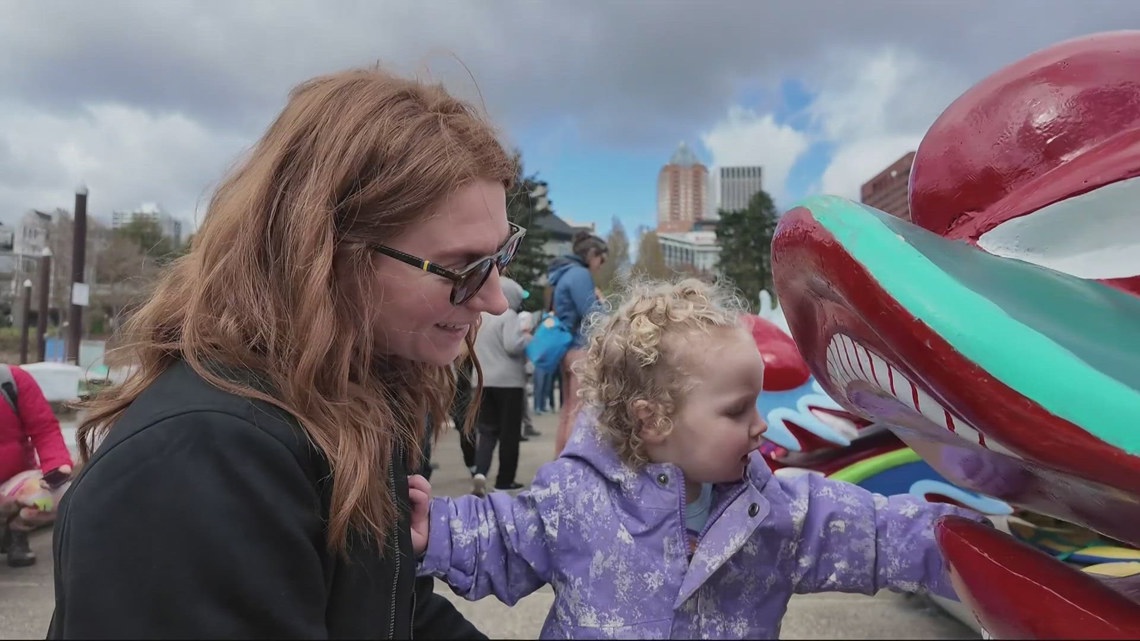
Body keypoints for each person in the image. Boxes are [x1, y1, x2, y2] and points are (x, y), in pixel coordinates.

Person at [48, 66, 522, 639]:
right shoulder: (202, 463)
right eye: (464, 267)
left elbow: (390, 608)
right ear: (327, 251)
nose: (495, 299)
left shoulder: (349, 400)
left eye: (501, 257)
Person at [411, 278, 986, 639]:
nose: (760, 424)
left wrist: (975, 553)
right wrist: (430, 527)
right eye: (737, 411)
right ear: (653, 418)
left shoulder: (776, 513)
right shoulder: (576, 500)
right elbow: (500, 536)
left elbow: (878, 536)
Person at [0, 364, 73, 567]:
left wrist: (56, 466)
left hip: (15, 486)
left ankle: (18, 529)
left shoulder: (11, 380)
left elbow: (44, 429)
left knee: (58, 496)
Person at [547, 230, 607, 456]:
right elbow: (593, 315)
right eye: (602, 259)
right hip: (580, 349)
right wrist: (602, 303)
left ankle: (559, 459)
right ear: (592, 254)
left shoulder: (564, 274)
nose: (600, 265)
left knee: (568, 409)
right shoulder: (580, 275)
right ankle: (569, 464)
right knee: (579, 412)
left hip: (566, 349)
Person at [470, 277, 532, 495]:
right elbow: (512, 346)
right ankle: (505, 480)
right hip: (509, 383)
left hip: (482, 381)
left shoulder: (480, 317)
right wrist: (528, 339)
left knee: (486, 431)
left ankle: (480, 472)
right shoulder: (509, 316)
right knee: (509, 434)